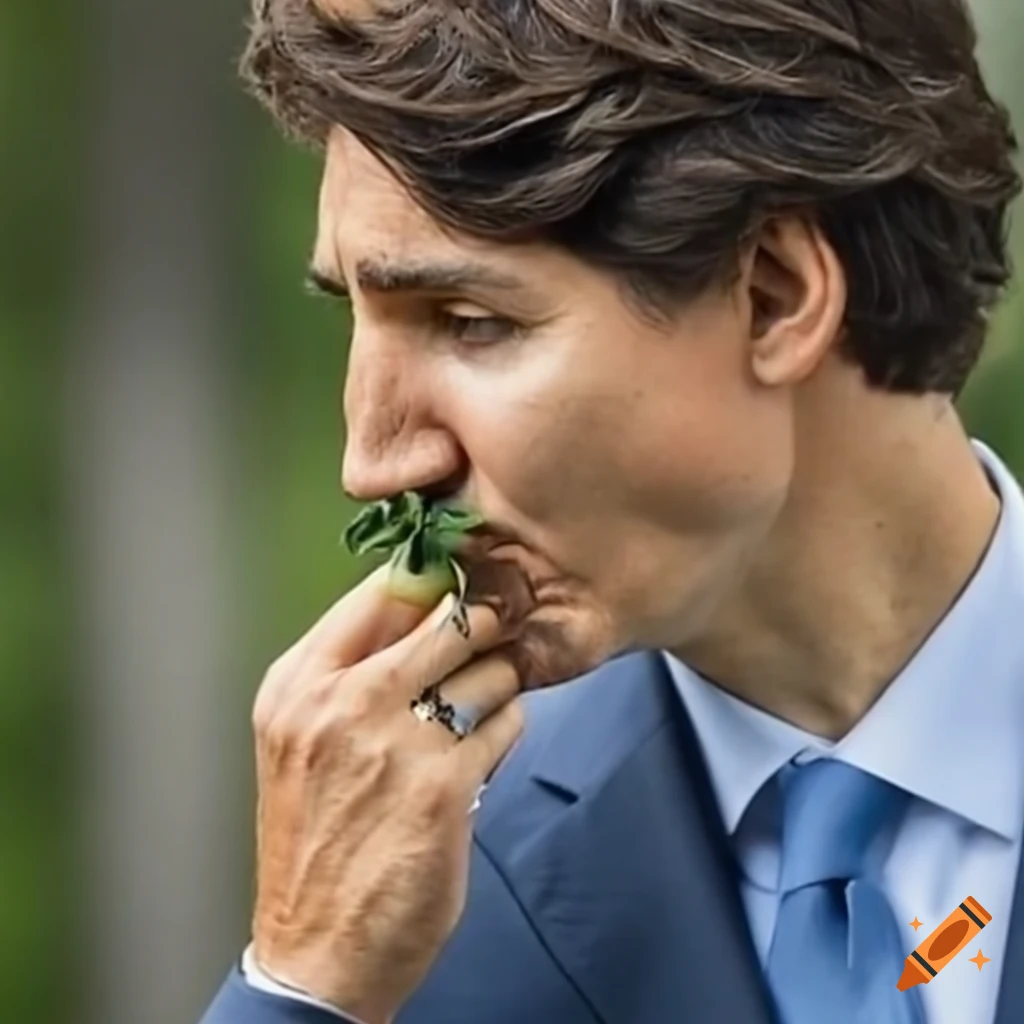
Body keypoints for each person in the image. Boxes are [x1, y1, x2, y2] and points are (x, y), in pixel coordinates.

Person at [200, 1, 1024, 1022]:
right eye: (354, 317)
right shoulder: (406, 908)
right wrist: (297, 990)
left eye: (468, 322)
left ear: (771, 295)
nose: (373, 465)